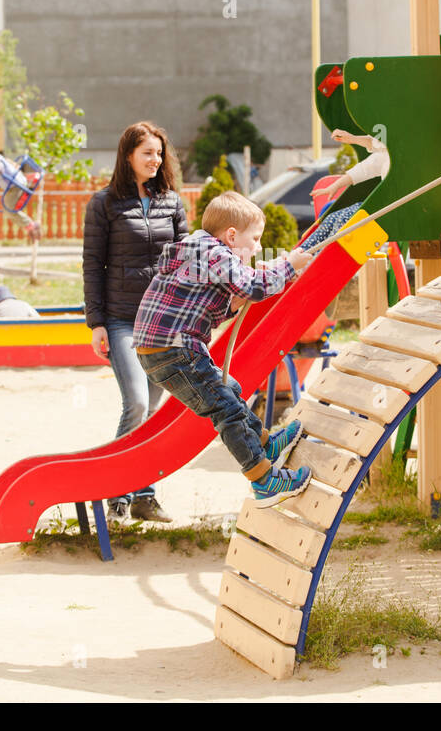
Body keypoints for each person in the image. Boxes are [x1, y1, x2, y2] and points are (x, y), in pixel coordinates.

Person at [134, 191, 314, 508]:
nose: (258, 247)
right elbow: (251, 285)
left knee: (228, 389)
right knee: (226, 409)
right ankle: (263, 481)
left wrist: (236, 301)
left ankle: (264, 444)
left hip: (161, 349)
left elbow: (209, 301)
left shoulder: (199, 249)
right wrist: (287, 265)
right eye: (255, 239)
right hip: (176, 350)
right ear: (231, 235)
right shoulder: (213, 253)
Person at [83, 122, 190, 523]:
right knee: (138, 404)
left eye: (159, 153)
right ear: (128, 155)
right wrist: (96, 323)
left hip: (164, 324)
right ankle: (116, 495)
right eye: (147, 152)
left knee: (155, 414)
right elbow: (92, 265)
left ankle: (144, 496)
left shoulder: (172, 203)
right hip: (121, 321)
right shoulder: (104, 204)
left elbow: (186, 261)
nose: (155, 159)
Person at [300, 128, 391, 250]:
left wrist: (353, 139)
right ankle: (301, 253)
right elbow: (364, 168)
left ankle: (322, 256)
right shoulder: (386, 155)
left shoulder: (397, 156)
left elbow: (374, 146)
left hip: (388, 209)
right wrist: (335, 186)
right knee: (331, 218)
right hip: (380, 207)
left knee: (344, 222)